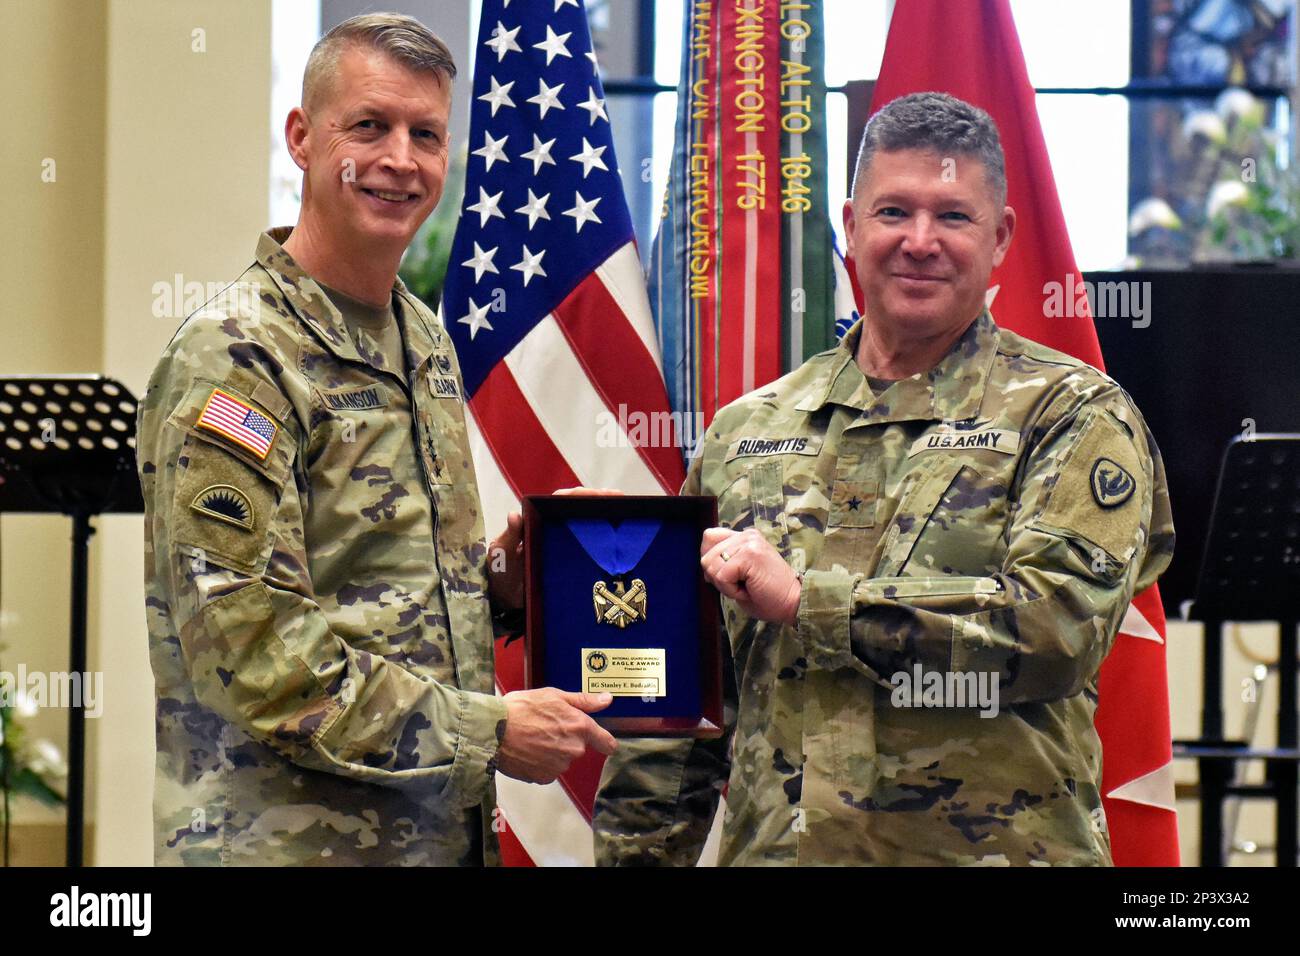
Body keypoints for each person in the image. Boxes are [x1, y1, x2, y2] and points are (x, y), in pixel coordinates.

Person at [593, 91, 1174, 866]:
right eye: (894, 212)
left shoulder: (1073, 415)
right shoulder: (747, 432)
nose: (920, 242)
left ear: (1000, 237)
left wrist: (810, 603)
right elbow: (683, 708)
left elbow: (1053, 631)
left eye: (954, 217)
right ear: (850, 225)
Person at [137, 13, 616, 867]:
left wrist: (497, 585)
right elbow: (252, 646)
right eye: (370, 125)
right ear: (303, 138)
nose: (400, 159)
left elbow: (370, 582)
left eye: (426, 135)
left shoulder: (423, 340)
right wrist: (487, 731)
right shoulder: (237, 356)